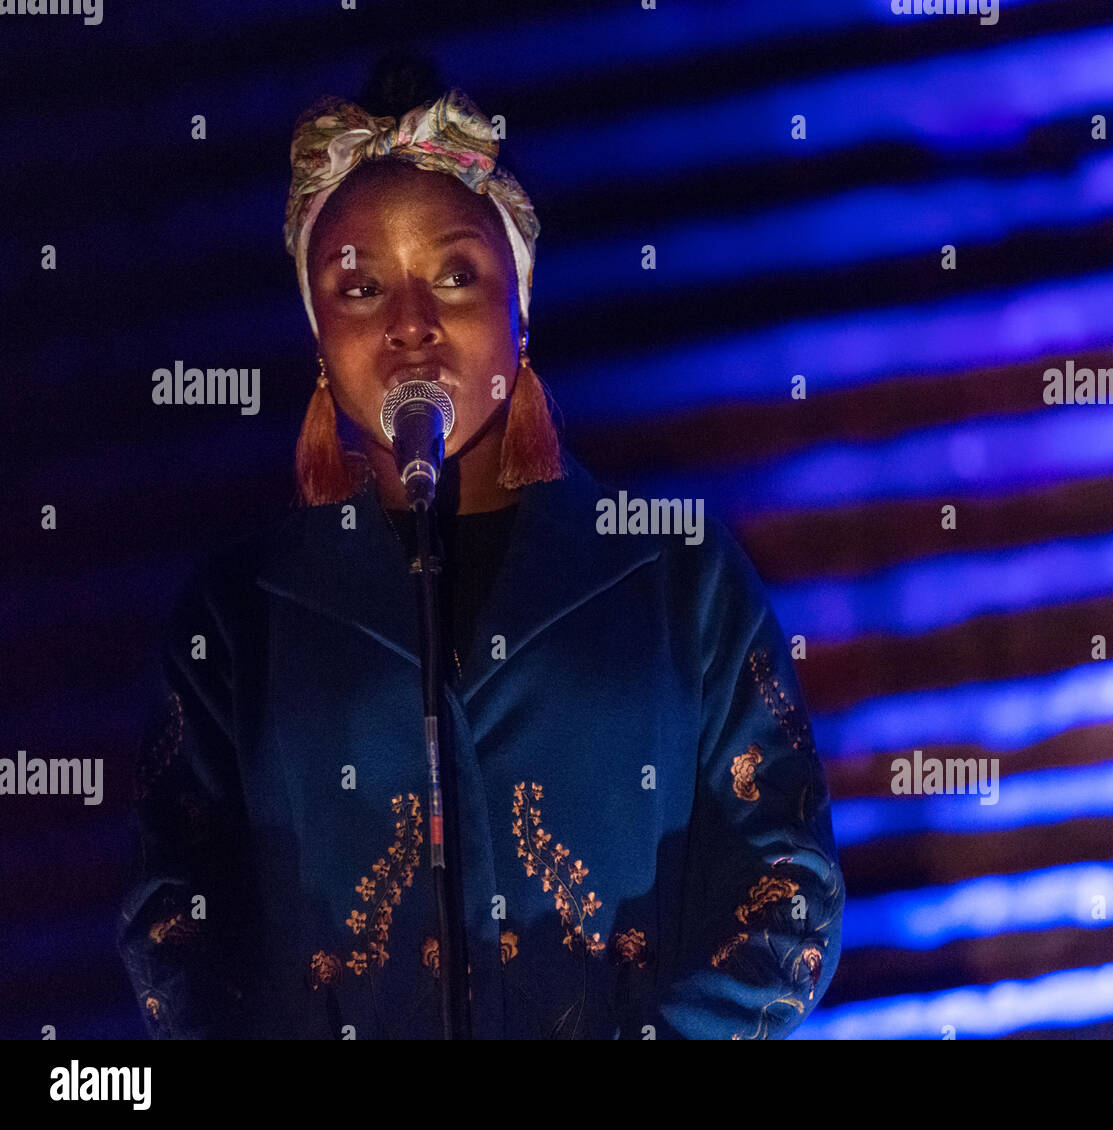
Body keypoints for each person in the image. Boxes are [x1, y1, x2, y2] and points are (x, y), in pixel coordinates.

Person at [116, 72, 844, 1040]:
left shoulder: (678, 575)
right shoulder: (236, 613)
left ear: (521, 309)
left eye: (454, 274)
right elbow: (173, 911)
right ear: (318, 335)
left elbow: (788, 884)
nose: (408, 320)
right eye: (359, 284)